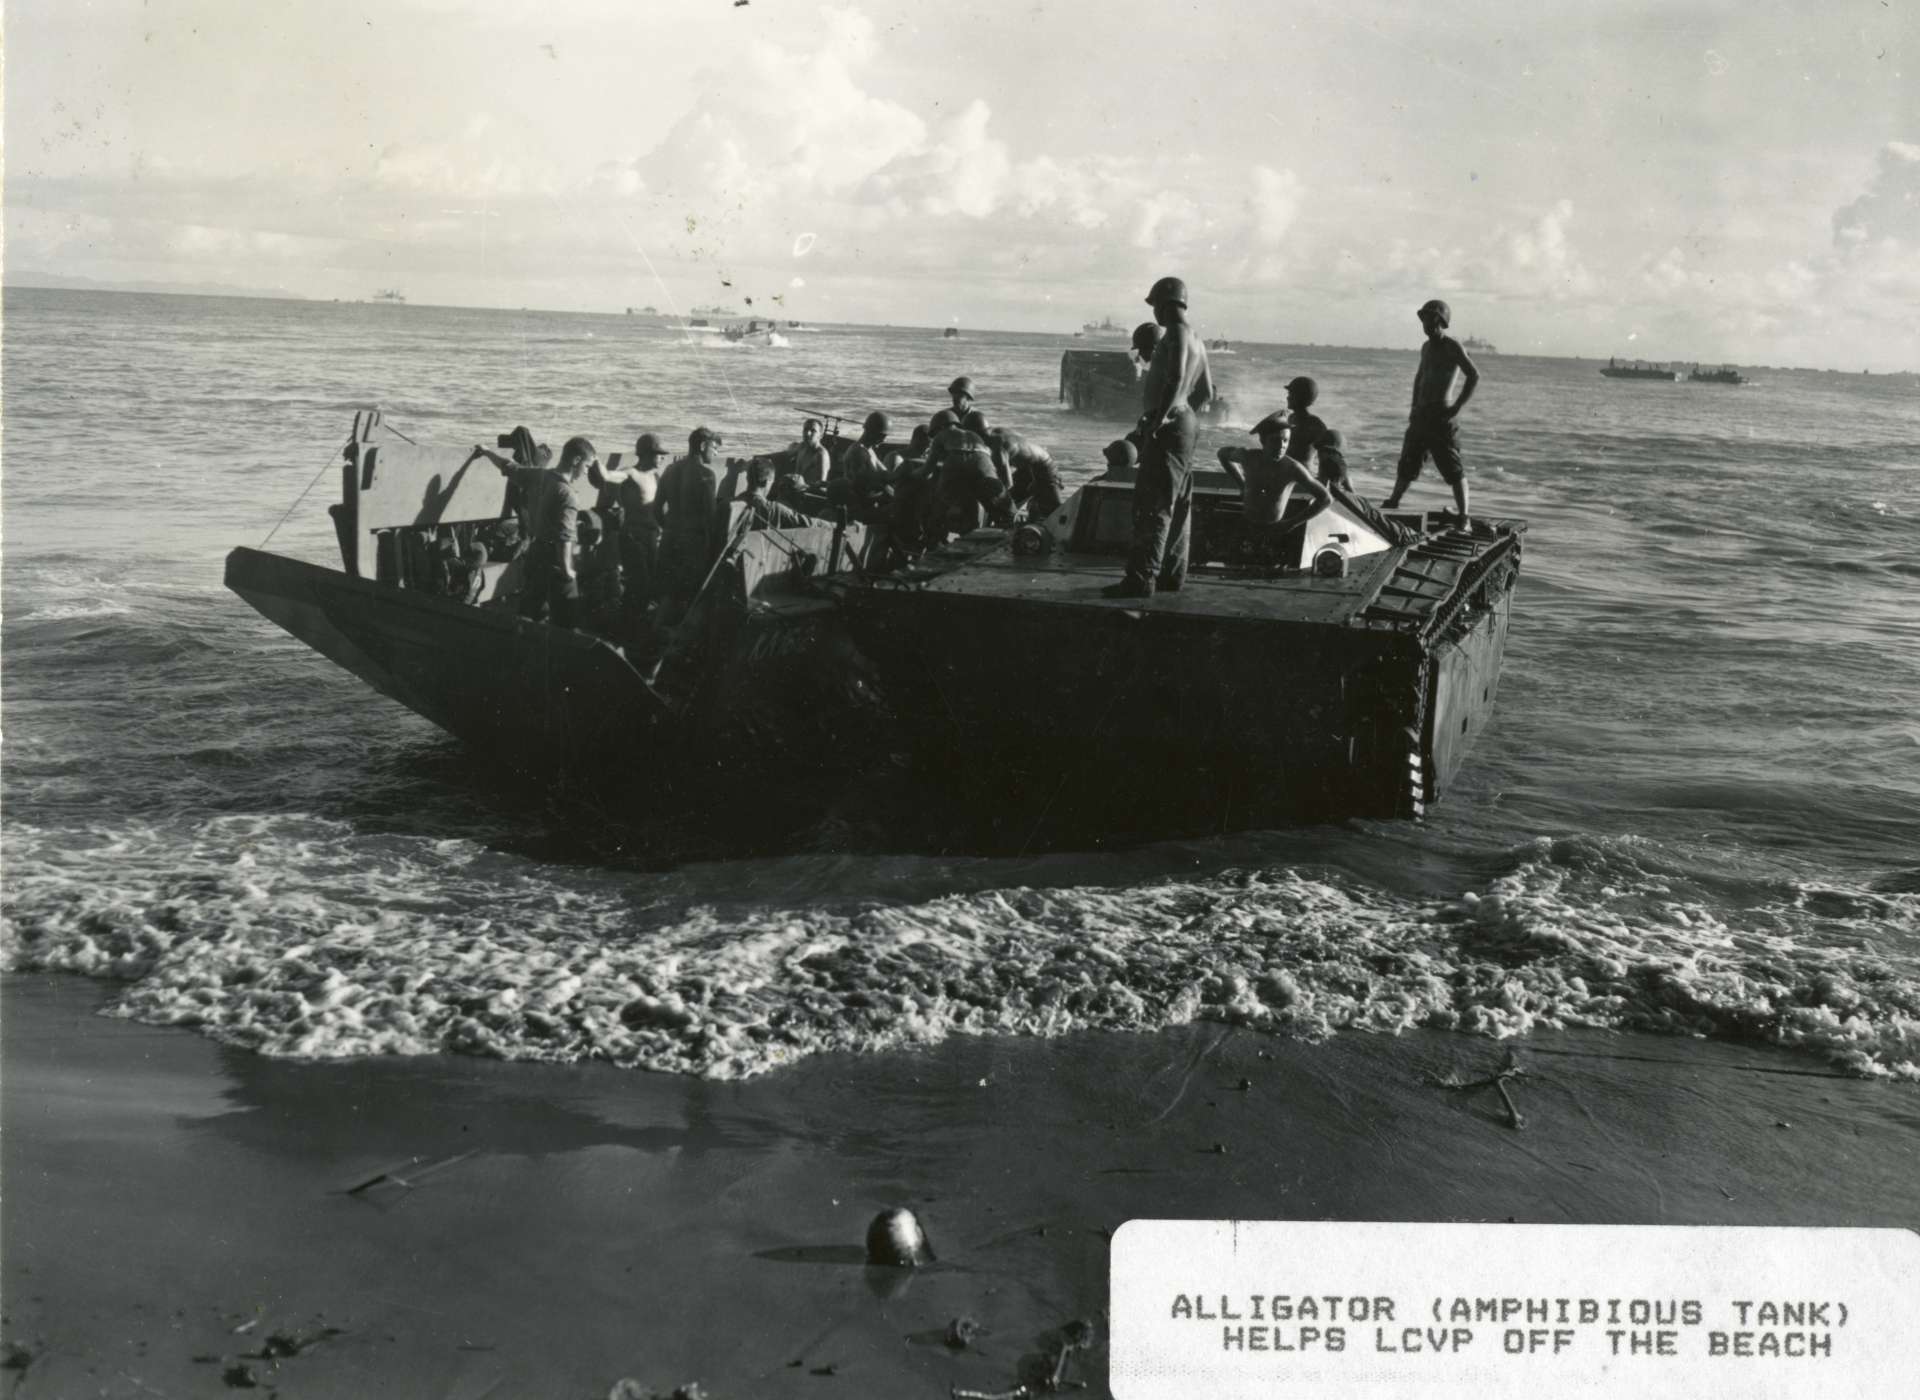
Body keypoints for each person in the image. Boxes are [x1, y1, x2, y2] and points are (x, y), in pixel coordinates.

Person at [1105, 275, 1214, 598]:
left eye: (1154, 306)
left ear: (1164, 305)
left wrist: (1161, 418)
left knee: (1153, 505)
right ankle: (1172, 575)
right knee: (1178, 503)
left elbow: (1176, 376)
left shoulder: (1175, 334)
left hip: (1169, 426)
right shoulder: (1198, 340)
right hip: (1186, 425)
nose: (1154, 312)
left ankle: (1141, 579)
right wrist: (1184, 414)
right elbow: (1206, 392)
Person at [475, 434, 596, 627]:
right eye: (587, 466)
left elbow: (509, 467)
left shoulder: (539, 476)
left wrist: (487, 451)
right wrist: (567, 570)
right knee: (568, 620)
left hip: (535, 553)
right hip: (555, 561)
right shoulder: (568, 494)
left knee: (530, 613)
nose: (587, 472)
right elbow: (564, 537)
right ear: (576, 460)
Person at [1383, 298, 1479, 517]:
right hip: (1421, 416)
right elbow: (1420, 377)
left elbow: (1474, 375)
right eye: (1424, 319)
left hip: (1441, 416)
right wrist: (1413, 407)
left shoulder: (1452, 346)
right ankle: (1393, 501)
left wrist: (1457, 406)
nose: (1425, 324)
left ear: (1440, 321)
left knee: (1453, 468)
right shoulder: (1426, 347)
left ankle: (1463, 516)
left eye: (1430, 319)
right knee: (1408, 461)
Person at [1217, 411, 1330, 562]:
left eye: (1286, 441)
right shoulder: (1249, 457)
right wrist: (1241, 484)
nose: (1281, 446)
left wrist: (1291, 523)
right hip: (1246, 524)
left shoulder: (1292, 468)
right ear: (1263, 441)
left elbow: (1325, 498)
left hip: (1276, 529)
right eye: (1275, 440)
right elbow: (1222, 454)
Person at [590, 431, 673, 627]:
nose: (662, 458)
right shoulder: (631, 473)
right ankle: (626, 624)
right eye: (658, 454)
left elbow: (660, 508)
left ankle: (636, 622)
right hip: (633, 536)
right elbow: (607, 476)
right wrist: (594, 458)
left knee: (650, 585)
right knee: (638, 584)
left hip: (652, 536)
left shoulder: (656, 476)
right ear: (645, 454)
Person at [656, 426, 726, 612]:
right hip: (692, 544)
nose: (716, 453)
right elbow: (711, 518)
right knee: (689, 596)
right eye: (714, 448)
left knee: (669, 594)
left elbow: (656, 509)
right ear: (703, 446)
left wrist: (669, 528)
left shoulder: (670, 469)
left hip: (669, 540)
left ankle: (658, 626)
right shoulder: (706, 475)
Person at [929, 409, 1013, 537]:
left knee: (941, 501)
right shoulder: (975, 436)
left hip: (956, 464)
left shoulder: (941, 435)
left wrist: (910, 472)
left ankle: (939, 535)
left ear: (940, 428)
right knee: (1003, 506)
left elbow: (927, 469)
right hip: (984, 464)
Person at [1279, 376, 1350, 490]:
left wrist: (1346, 487)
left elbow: (1330, 457)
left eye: (1291, 394)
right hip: (1287, 475)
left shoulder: (1314, 424)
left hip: (1303, 479)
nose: (1288, 397)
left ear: (1301, 397)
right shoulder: (1291, 418)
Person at [989, 427, 1065, 521]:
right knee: (1008, 500)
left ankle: (1034, 506)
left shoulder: (998, 445)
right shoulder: (996, 433)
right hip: (1026, 467)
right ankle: (1032, 507)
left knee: (1054, 514)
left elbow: (1007, 483)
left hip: (1043, 464)